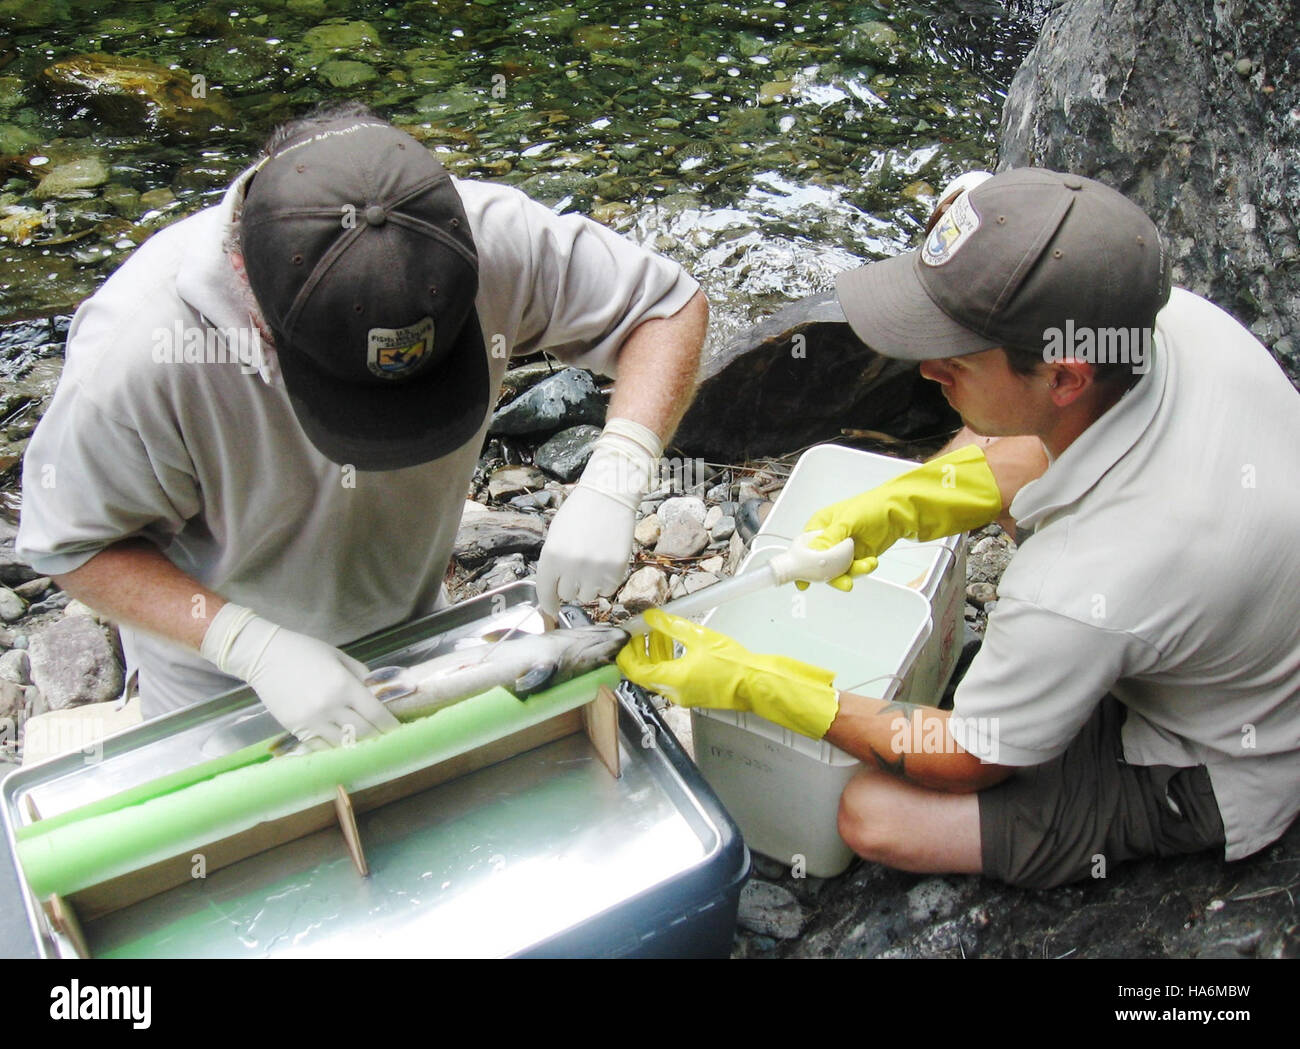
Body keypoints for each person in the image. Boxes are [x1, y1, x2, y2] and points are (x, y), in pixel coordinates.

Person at [619, 167, 1300, 888]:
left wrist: (764, 686)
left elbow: (971, 757)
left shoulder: (1081, 579)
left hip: (1226, 755)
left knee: (873, 812)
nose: (927, 372)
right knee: (1004, 439)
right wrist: (904, 501)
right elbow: (1031, 443)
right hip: (1236, 624)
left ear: (1065, 375)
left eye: (956, 357)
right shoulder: (1165, 324)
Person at [17, 107, 706, 750]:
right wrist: (247, 644)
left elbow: (667, 306)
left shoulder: (479, 242)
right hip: (223, 685)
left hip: (422, 631)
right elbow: (71, 545)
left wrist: (617, 472)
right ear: (245, 284)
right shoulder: (139, 354)